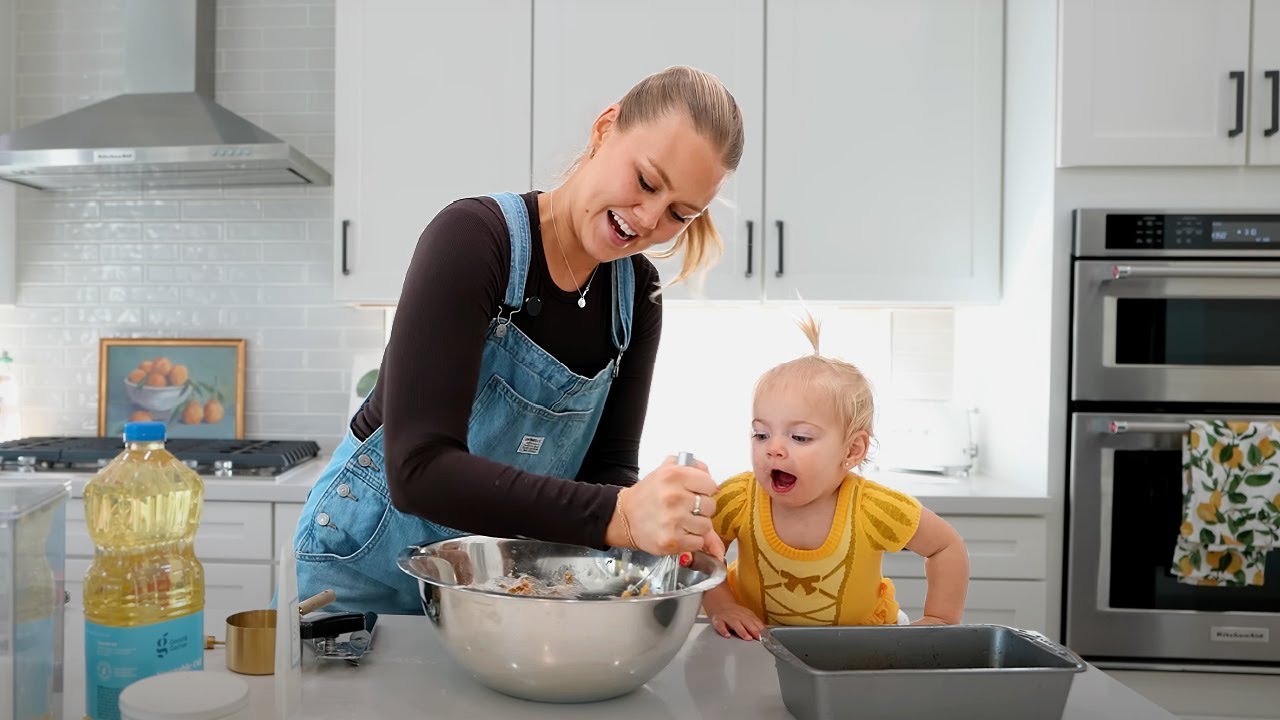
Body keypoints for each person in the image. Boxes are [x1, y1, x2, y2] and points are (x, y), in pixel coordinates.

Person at [292, 66, 745, 615]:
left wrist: (662, 530)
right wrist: (620, 513)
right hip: (357, 577)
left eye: (680, 213)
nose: (649, 218)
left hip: (498, 588)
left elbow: (607, 472)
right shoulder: (474, 240)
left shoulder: (636, 295)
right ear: (606, 129)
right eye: (647, 182)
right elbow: (419, 471)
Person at [701, 312, 970, 639]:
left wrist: (940, 619)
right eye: (761, 434)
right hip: (758, 642)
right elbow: (701, 551)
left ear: (852, 450)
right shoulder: (738, 499)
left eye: (799, 437)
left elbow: (946, 547)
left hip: (860, 650)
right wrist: (722, 607)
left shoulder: (873, 507)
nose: (773, 448)